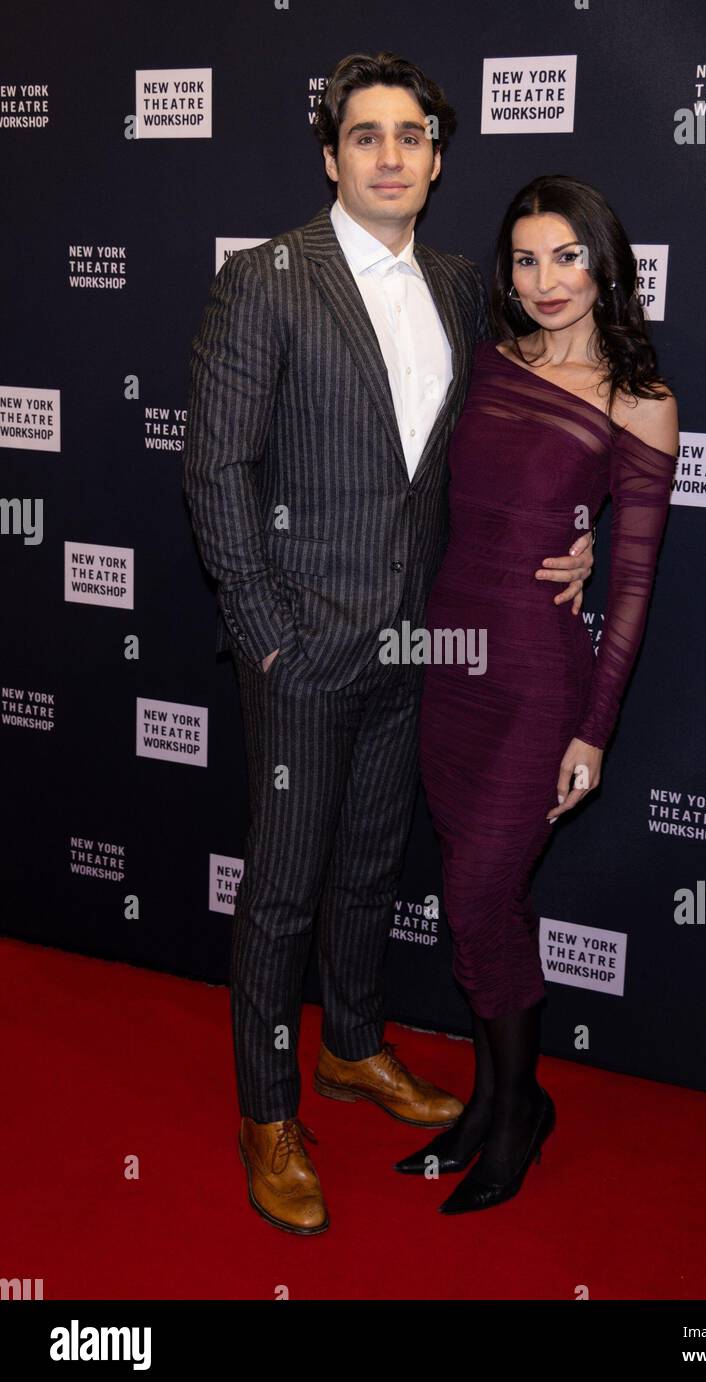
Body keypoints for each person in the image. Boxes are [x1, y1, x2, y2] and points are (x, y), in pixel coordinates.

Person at [182, 55, 593, 1236]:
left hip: (419, 642)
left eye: (412, 136)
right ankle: (269, 1110)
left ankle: (353, 1048)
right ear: (331, 155)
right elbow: (215, 464)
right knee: (282, 893)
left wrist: (580, 539)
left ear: (437, 157)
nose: (390, 155)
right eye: (366, 136)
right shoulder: (269, 279)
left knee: (370, 868)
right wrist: (267, 637)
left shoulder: (466, 286)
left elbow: (545, 417)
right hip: (305, 647)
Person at [395, 175, 679, 1214]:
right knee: (486, 911)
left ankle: (519, 1113)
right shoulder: (483, 362)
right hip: (448, 660)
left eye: (567, 256)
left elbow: (637, 587)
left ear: (605, 264)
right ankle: (489, 1098)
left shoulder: (638, 398)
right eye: (524, 258)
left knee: (475, 898)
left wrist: (593, 732)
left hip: (534, 684)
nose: (545, 279)